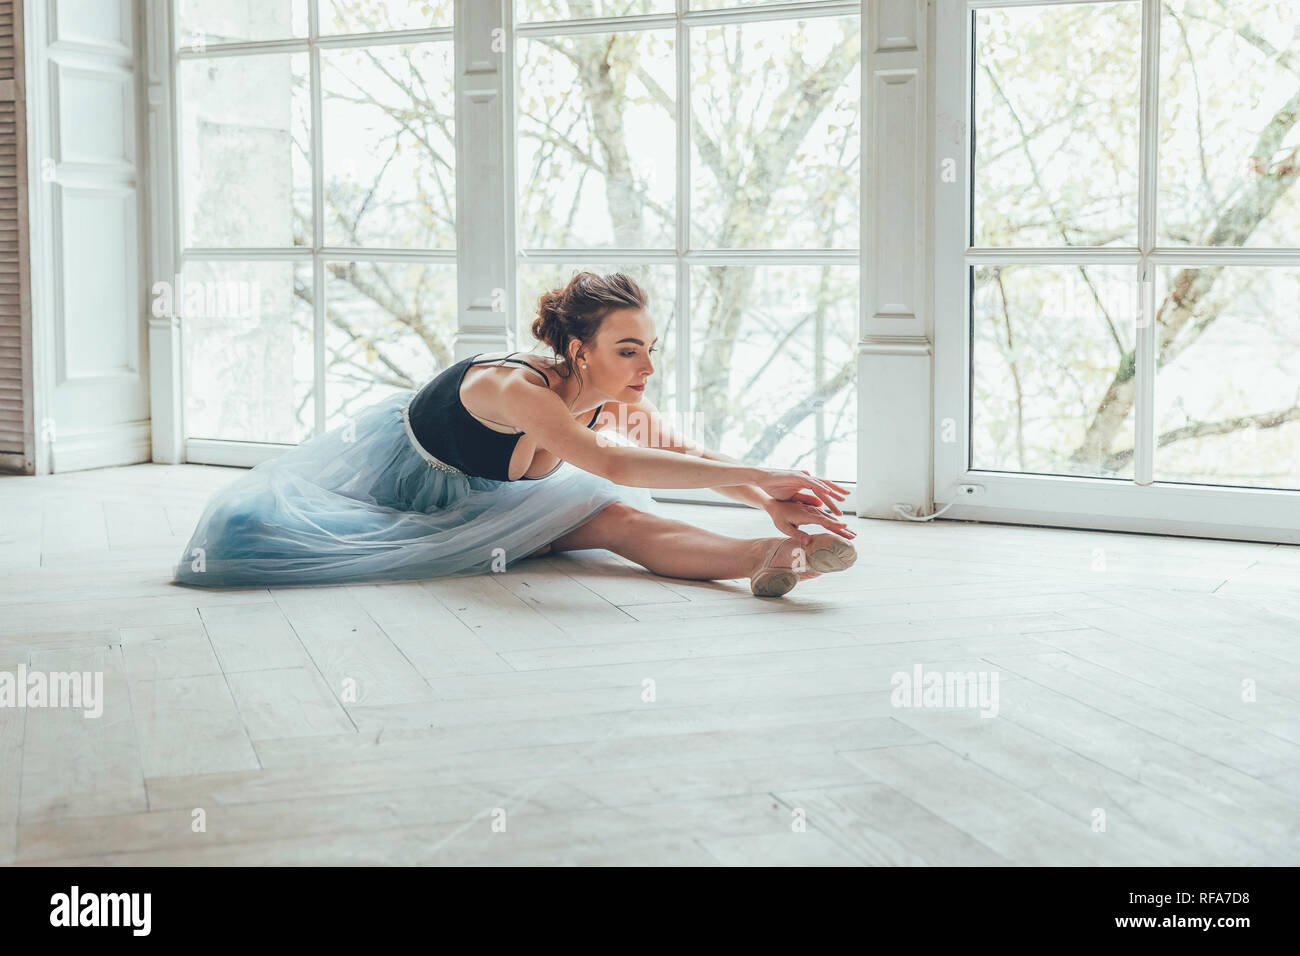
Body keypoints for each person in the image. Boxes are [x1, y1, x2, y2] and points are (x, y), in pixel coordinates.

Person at [172, 271, 856, 597]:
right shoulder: (515, 389)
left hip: (496, 497)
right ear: (580, 349)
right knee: (244, 533)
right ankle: (763, 552)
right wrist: (764, 477)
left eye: (651, 347)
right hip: (409, 489)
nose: (647, 365)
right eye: (628, 350)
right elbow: (608, 463)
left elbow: (691, 456)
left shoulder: (608, 398)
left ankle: (774, 555)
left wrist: (764, 496)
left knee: (618, 522)